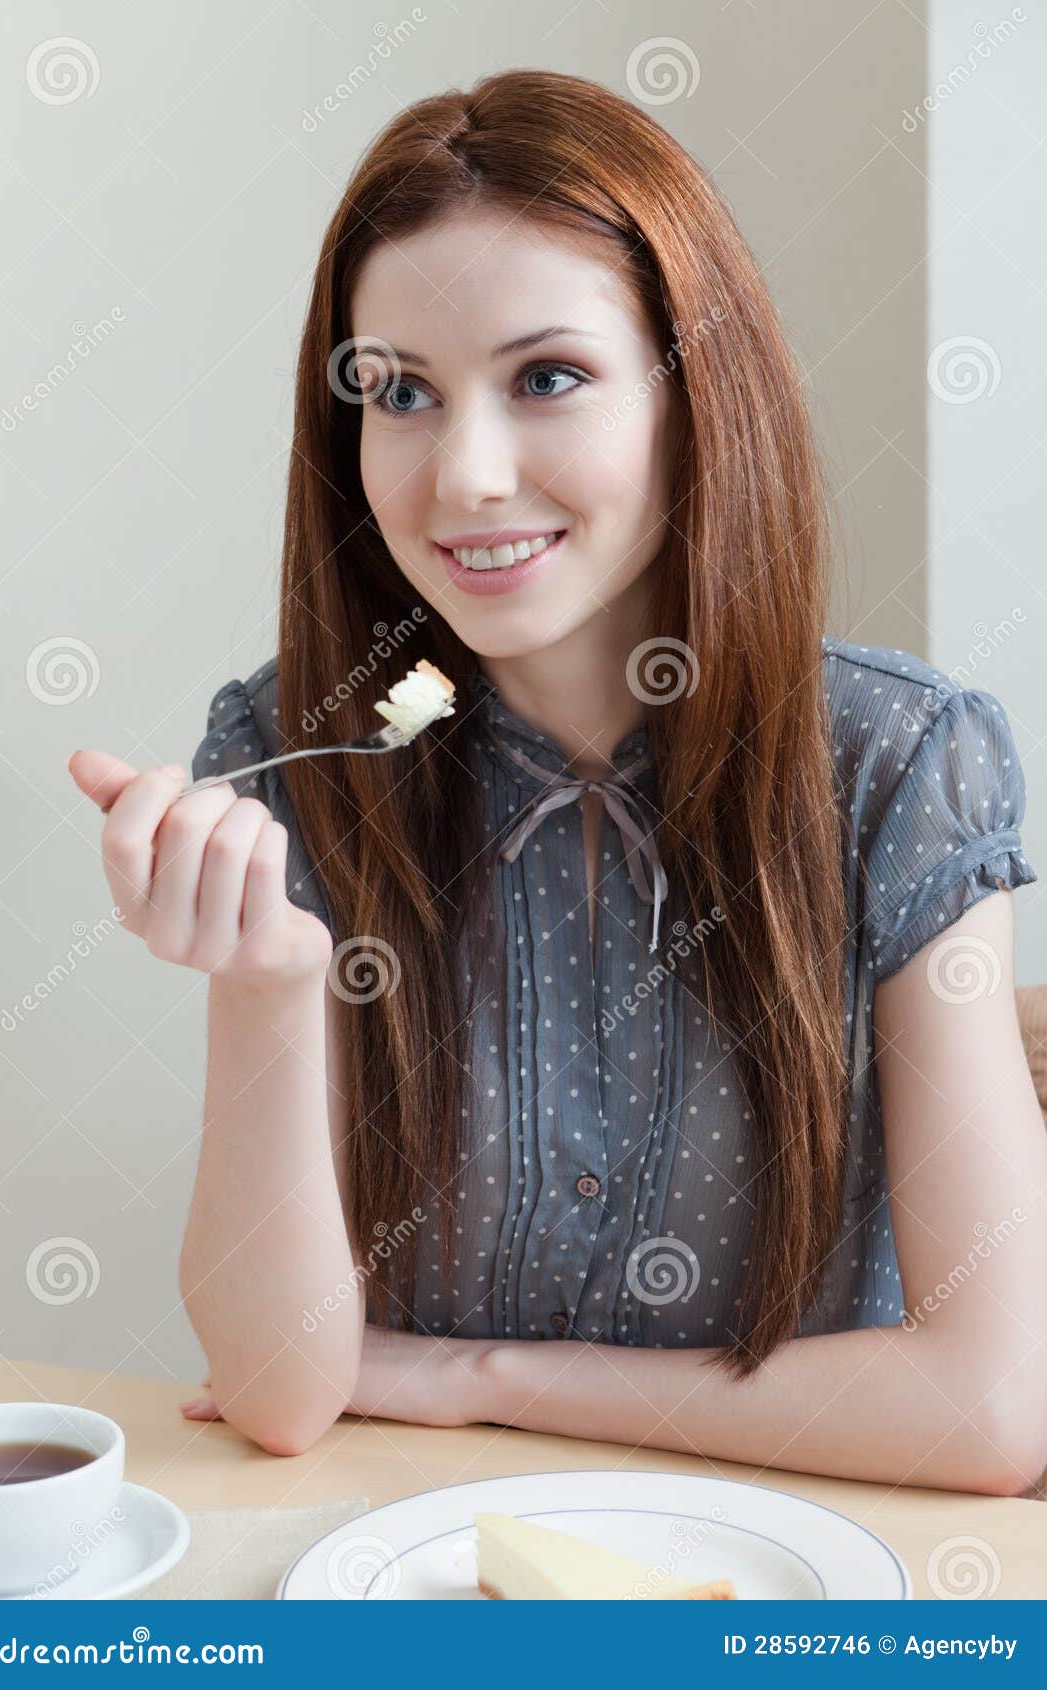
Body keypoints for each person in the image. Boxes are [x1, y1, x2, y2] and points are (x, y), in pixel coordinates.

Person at [69, 69, 1047, 1494]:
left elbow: (996, 1409)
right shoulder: (294, 760)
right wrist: (269, 982)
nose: (463, 474)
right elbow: (282, 1395)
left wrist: (480, 1379)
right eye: (399, 391)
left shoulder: (898, 767)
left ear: (692, 389)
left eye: (547, 378)